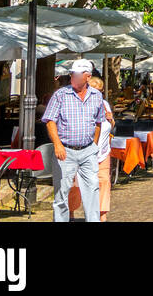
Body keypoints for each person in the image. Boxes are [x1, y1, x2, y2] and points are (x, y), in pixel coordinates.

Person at [42, 59, 106, 222]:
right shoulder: (61, 95)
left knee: (92, 189)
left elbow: (99, 122)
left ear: (87, 76)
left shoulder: (96, 96)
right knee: (62, 192)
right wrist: (57, 145)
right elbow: (50, 121)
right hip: (66, 150)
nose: (72, 77)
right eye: (71, 74)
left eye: (75, 74)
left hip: (88, 150)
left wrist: (94, 145)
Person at [68, 74, 115, 222]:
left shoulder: (105, 104)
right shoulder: (79, 103)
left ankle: (102, 215)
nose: (97, 92)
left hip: (102, 152)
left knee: (103, 182)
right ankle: (70, 212)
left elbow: (111, 126)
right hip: (81, 151)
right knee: (75, 184)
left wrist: (111, 120)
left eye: (100, 90)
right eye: (94, 89)